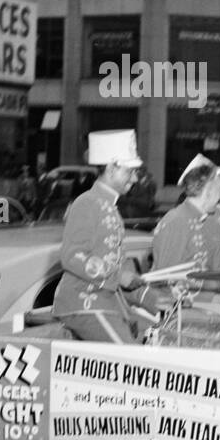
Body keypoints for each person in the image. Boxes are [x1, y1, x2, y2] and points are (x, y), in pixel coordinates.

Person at [52, 130, 150, 343]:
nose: (134, 178)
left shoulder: (109, 206)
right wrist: (118, 277)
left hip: (106, 303)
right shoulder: (87, 202)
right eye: (130, 171)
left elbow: (110, 259)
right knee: (131, 361)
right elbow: (72, 256)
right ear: (112, 167)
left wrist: (128, 277)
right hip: (84, 303)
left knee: (158, 335)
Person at [150, 155, 220, 291]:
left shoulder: (212, 220)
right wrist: (210, 284)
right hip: (181, 305)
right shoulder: (176, 221)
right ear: (208, 190)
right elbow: (163, 277)